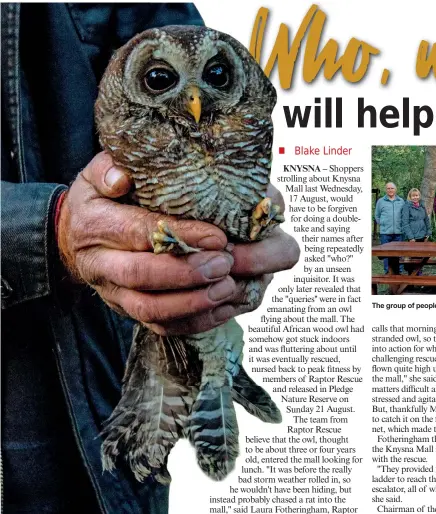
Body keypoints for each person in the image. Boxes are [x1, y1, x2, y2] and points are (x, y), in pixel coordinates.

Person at [0, 4, 300, 514]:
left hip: (97, 383)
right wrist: (49, 232)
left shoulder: (224, 112)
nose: (194, 98)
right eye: (162, 79)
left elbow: (166, 35)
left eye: (217, 77)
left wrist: (234, 251)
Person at [374, 182, 405, 273]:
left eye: (392, 188)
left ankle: (399, 271)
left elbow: (404, 215)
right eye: (388, 188)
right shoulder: (381, 201)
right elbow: (377, 215)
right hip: (385, 233)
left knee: (399, 253)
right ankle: (387, 271)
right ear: (386, 190)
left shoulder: (401, 201)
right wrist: (382, 224)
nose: (390, 190)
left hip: (399, 232)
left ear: (395, 190)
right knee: (386, 253)